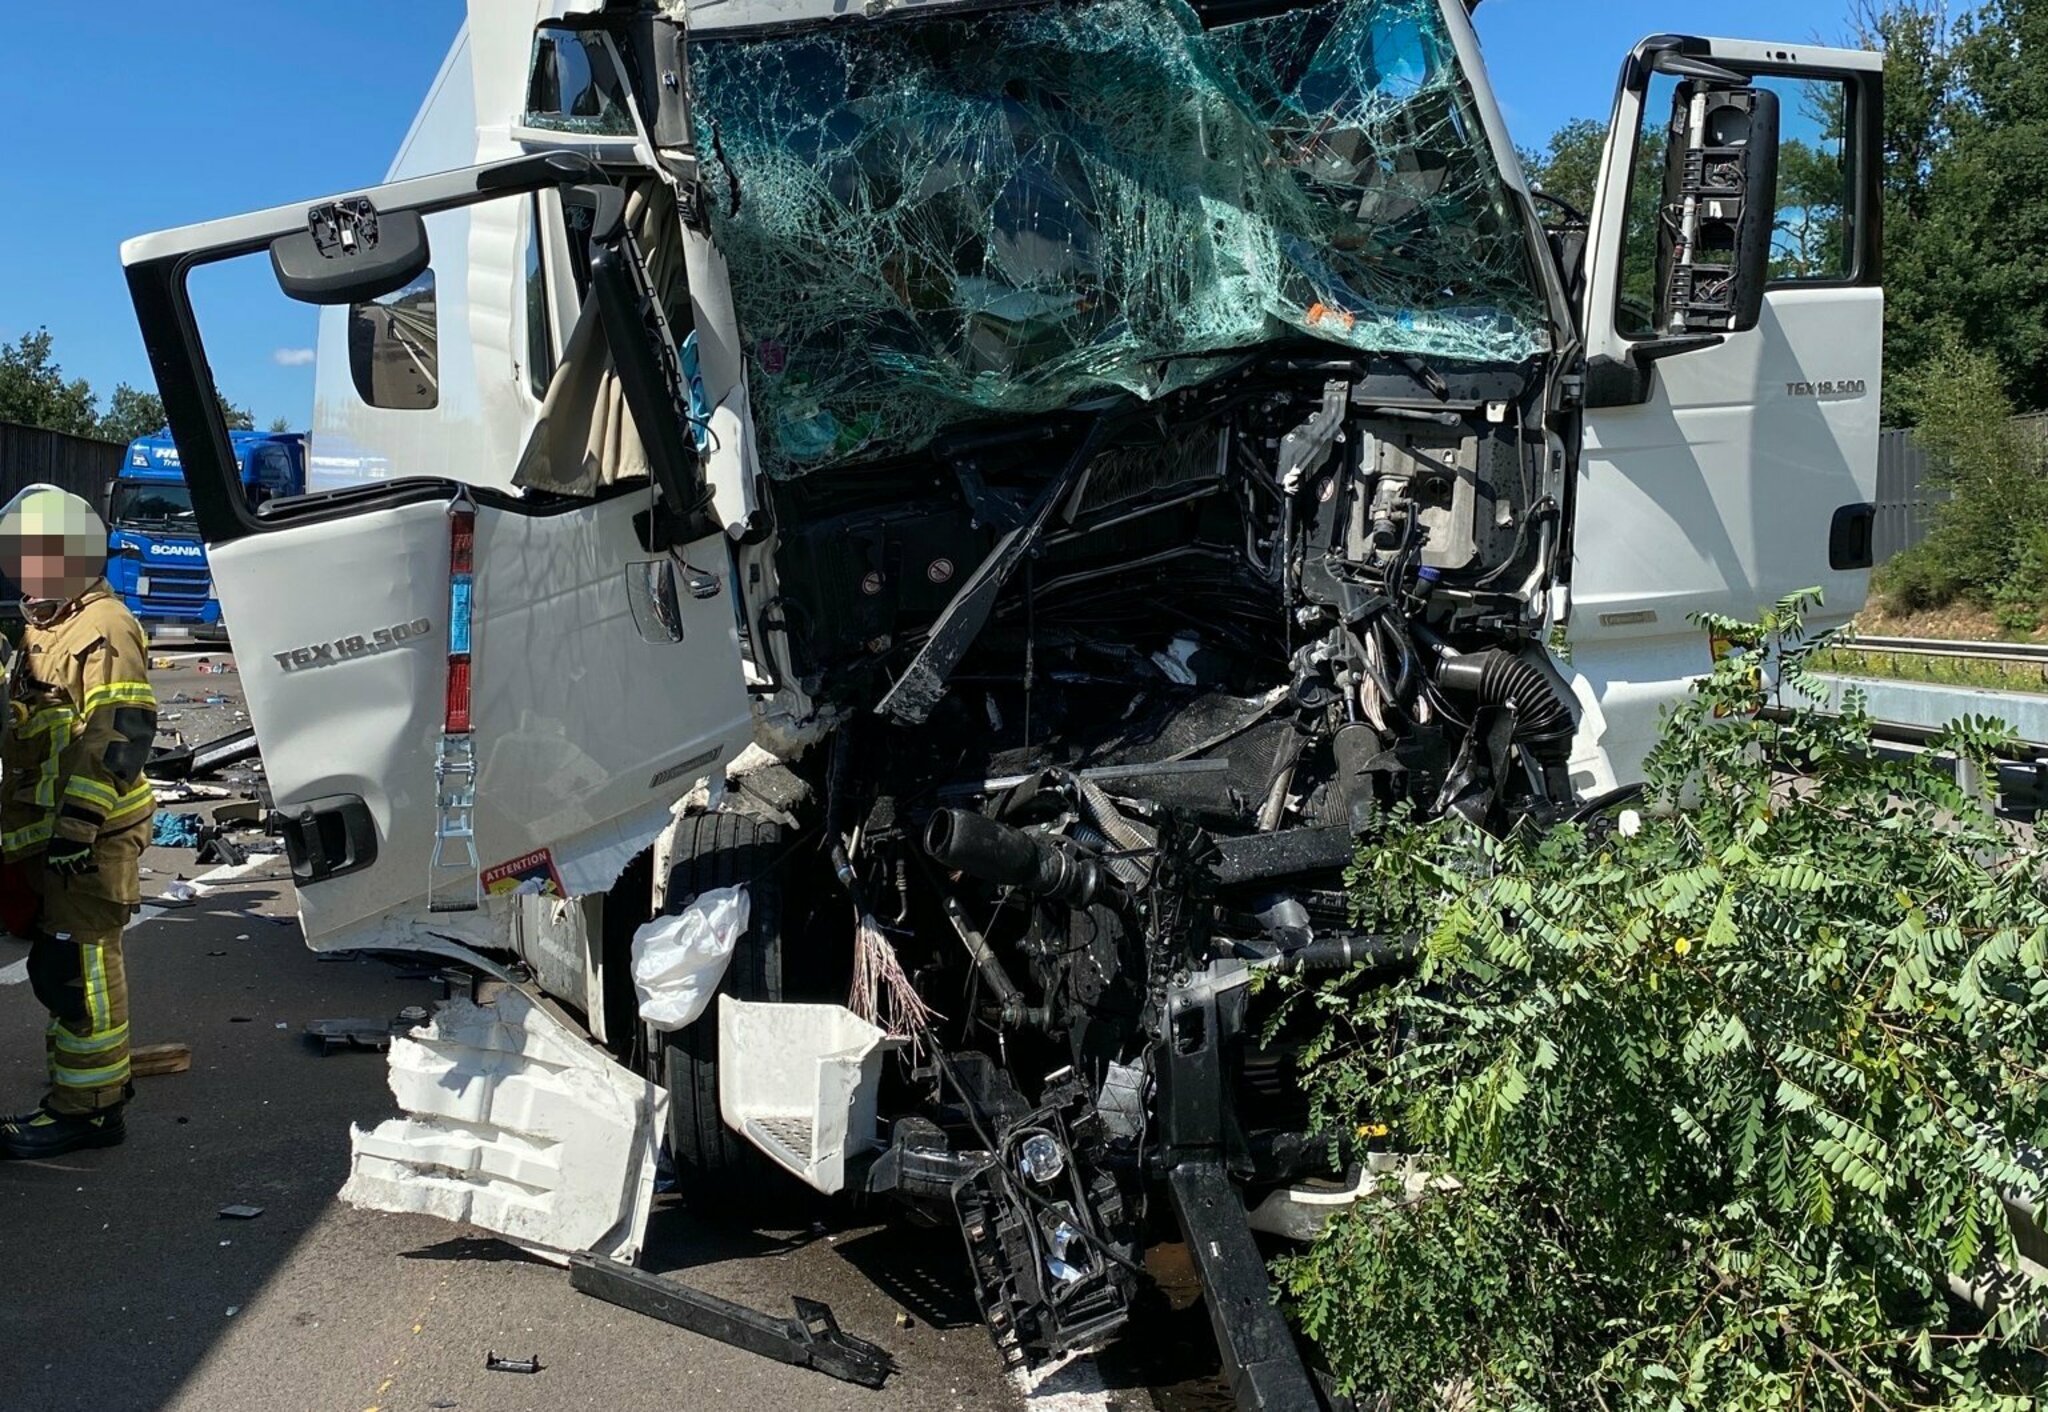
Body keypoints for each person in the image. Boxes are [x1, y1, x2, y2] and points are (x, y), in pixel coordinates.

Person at [0, 485, 157, 1159]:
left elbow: (120, 733)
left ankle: (89, 1112)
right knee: (58, 965)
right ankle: (89, 1083)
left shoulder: (105, 627)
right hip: (48, 832)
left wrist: (76, 832)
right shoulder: (44, 623)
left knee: (78, 966)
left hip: (90, 837)